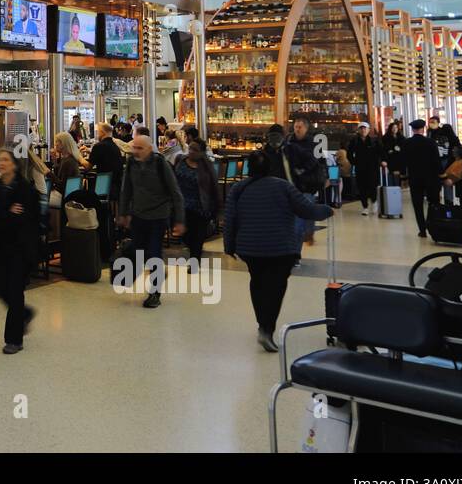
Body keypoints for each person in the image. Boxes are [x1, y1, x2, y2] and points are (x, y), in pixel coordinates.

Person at [224, 152, 333, 352]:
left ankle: (262, 324)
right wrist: (326, 210)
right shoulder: (283, 186)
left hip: (250, 248)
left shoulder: (238, 189)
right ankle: (267, 328)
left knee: (257, 283)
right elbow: (306, 209)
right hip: (280, 248)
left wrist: (229, 245)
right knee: (276, 287)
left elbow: (230, 218)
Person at [117, 134, 185, 309]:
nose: (136, 151)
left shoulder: (160, 164)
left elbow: (175, 192)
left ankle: (155, 293)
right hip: (138, 215)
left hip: (158, 216)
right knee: (140, 252)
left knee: (154, 253)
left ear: (149, 149)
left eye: (140, 148)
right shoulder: (131, 163)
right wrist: (123, 213)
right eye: (134, 148)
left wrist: (179, 219)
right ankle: (159, 273)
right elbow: (126, 189)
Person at [0, 147, 40, 354]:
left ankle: (14, 339)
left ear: (14, 164)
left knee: (15, 292)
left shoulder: (24, 189)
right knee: (1, 288)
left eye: (5, 160)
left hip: (19, 246)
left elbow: (21, 220)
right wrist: (4, 212)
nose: (1, 163)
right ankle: (24, 314)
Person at [173, 136, 221, 268]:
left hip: (200, 207)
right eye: (191, 148)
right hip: (182, 206)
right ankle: (193, 250)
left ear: (201, 152)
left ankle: (194, 260)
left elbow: (214, 186)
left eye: (195, 149)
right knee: (185, 236)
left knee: (198, 236)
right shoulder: (180, 160)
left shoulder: (206, 166)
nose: (192, 151)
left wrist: (215, 207)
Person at [403, 119, 442, 238]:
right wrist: (441, 174)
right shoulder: (430, 142)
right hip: (431, 177)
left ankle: (422, 229)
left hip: (415, 177)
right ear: (423, 129)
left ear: (413, 129)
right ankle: (433, 225)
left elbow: (404, 160)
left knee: (417, 204)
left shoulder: (407, 143)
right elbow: (437, 160)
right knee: (433, 202)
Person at [346, 122, 382, 215]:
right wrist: (354, 162)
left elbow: (381, 152)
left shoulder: (374, 141)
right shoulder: (354, 141)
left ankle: (374, 202)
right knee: (362, 188)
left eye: (365, 128)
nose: (363, 130)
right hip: (360, 168)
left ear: (369, 130)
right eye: (361, 128)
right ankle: (365, 207)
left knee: (373, 186)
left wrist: (381, 161)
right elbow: (349, 154)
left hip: (373, 168)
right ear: (358, 130)